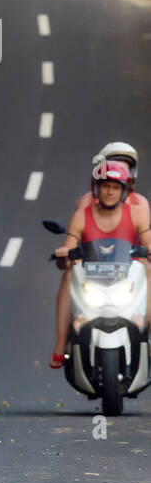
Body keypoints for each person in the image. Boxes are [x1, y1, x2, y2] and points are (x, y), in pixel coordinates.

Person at [50, 156, 151, 366]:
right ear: (97, 189)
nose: (111, 192)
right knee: (68, 275)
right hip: (92, 278)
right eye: (106, 186)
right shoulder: (81, 216)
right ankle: (60, 345)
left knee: (148, 268)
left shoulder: (138, 214)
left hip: (127, 276)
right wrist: (63, 254)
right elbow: (68, 251)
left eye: (116, 187)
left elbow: (148, 245)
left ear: (124, 190)